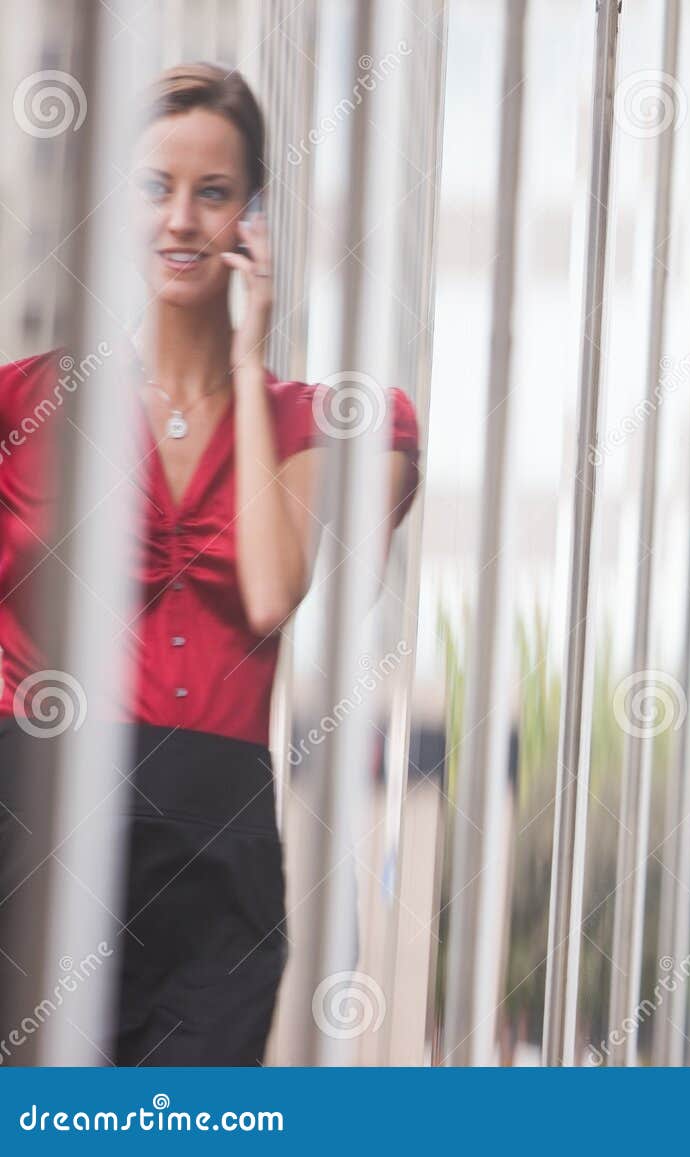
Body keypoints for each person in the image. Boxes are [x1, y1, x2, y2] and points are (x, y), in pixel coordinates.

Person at [0, 63, 421, 1065]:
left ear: (252, 218)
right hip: (32, 810)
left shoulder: (323, 424)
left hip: (212, 843)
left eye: (215, 192)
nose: (181, 219)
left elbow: (273, 593)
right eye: (155, 186)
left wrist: (244, 354)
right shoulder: (23, 407)